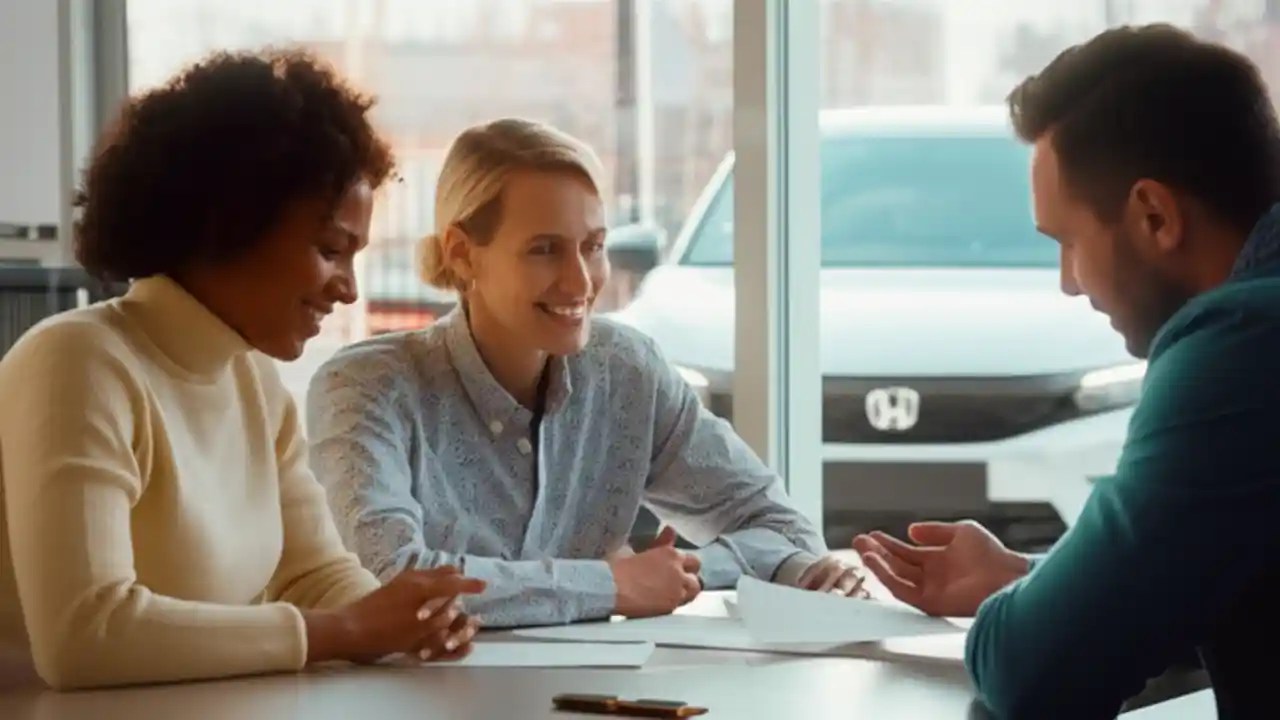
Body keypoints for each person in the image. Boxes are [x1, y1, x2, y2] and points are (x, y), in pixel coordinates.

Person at [0, 49, 485, 692]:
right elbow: (85, 636)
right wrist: (344, 632)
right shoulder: (79, 362)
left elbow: (315, 574)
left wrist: (411, 619)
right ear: (231, 222)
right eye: (330, 250)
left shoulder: (252, 383)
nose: (347, 290)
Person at [852, 24, 1280, 719]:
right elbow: (1202, 560)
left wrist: (1011, 607)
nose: (1068, 285)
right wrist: (1030, 578)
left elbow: (1036, 672)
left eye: (1069, 243)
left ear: (1153, 215)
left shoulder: (1241, 345)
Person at [306, 118, 864, 628]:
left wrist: (701, 573)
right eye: (544, 250)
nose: (580, 282)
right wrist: (611, 586)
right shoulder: (367, 387)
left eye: (593, 247)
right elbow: (394, 581)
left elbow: (783, 530)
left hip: (598, 696)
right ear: (462, 253)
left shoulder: (626, 371)